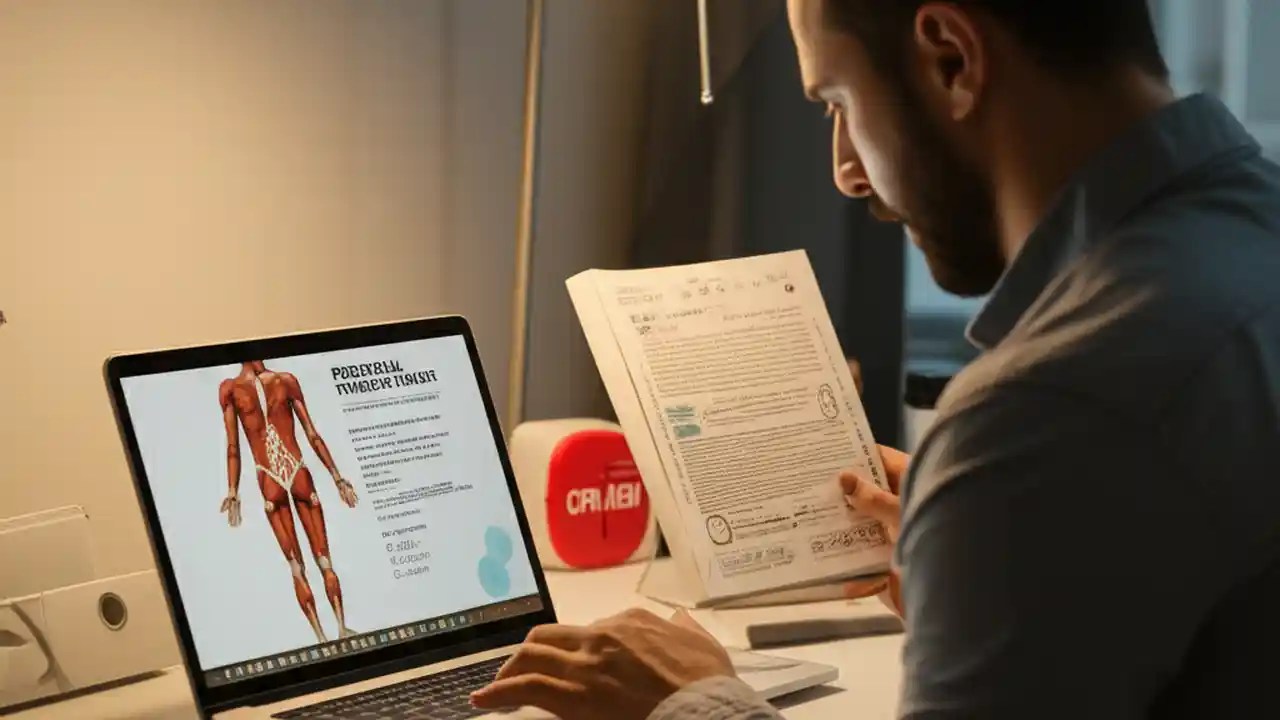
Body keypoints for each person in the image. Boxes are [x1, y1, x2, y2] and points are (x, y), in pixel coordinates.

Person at [471, 0, 1280, 717]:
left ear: (950, 59)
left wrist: (693, 703)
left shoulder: (1048, 414)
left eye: (838, 102)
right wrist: (972, 572)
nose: (846, 171)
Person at [220, 361, 360, 642]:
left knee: (297, 569)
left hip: (269, 479)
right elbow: (312, 434)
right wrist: (337, 477)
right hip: (298, 472)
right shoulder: (285, 380)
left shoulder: (231, 389)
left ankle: (321, 640)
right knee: (325, 562)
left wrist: (233, 490)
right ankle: (342, 629)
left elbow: (233, 447)